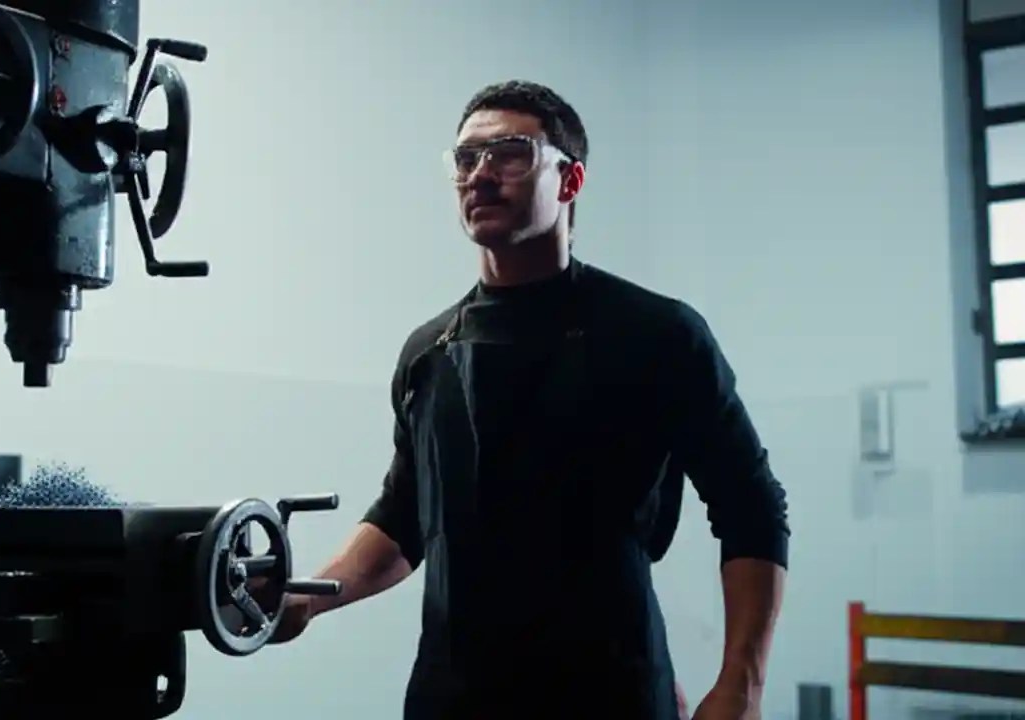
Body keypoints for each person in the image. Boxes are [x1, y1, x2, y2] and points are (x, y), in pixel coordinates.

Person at [272, 80, 790, 720]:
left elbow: (751, 507)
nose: (479, 176)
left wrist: (742, 685)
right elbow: (406, 517)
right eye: (465, 159)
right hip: (452, 700)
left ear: (569, 182)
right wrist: (310, 597)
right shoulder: (428, 352)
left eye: (509, 154)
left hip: (610, 692)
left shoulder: (658, 334)